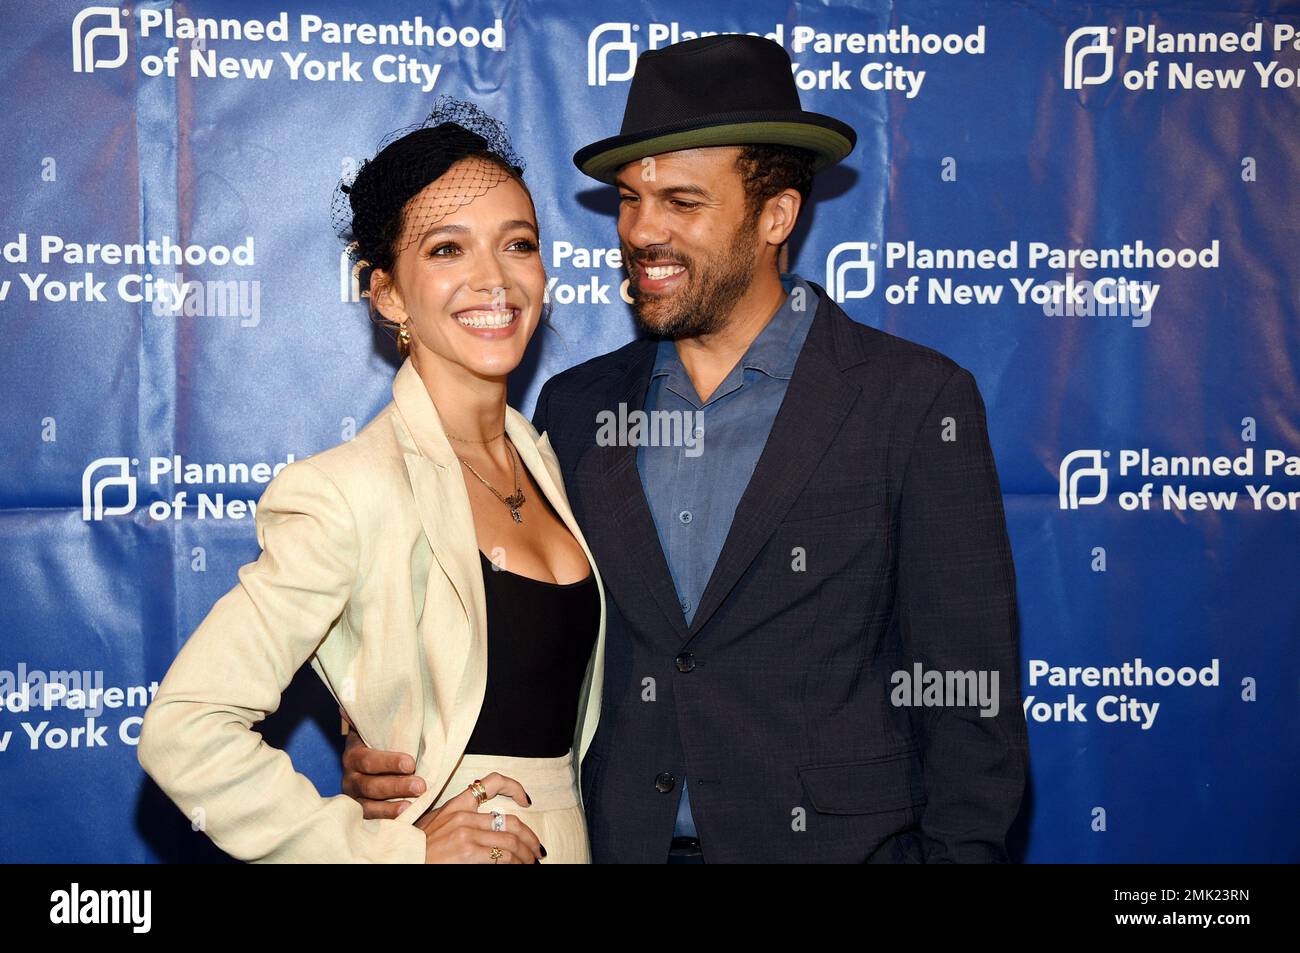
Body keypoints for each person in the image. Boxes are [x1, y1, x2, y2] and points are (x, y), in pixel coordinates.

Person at [344, 35, 1029, 863]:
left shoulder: (912, 403)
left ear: (776, 214)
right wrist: (386, 729)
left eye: (683, 202)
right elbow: (517, 629)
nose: (642, 230)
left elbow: (971, 709)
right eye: (631, 199)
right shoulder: (577, 405)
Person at [137, 96, 606, 864]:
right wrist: (383, 852)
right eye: (448, 250)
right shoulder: (346, 490)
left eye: (517, 244)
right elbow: (184, 728)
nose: (493, 279)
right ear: (388, 292)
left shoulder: (555, 461)